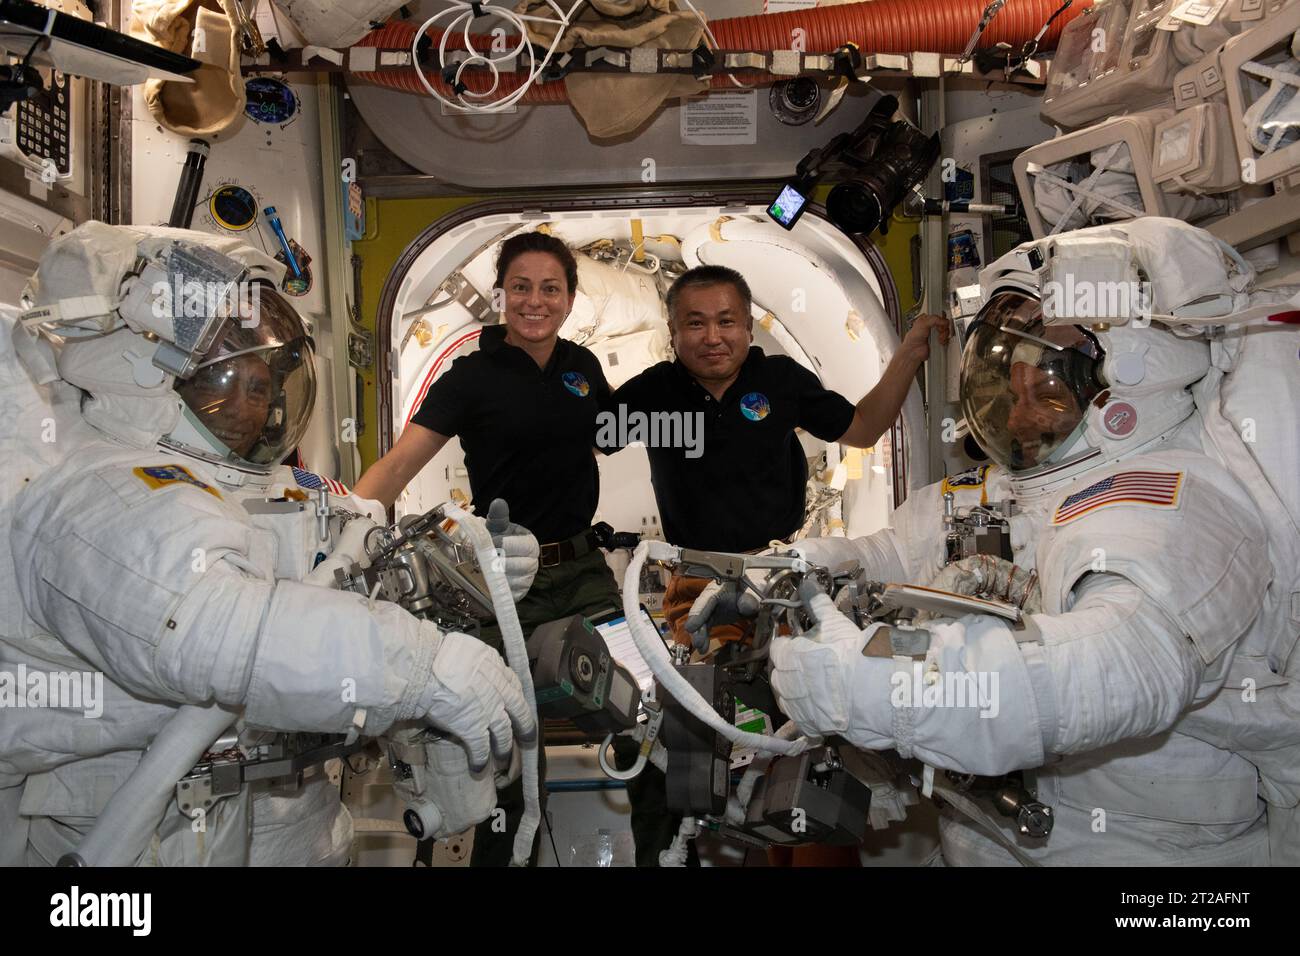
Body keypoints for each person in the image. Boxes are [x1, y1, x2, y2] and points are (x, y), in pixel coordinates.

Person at [0, 222, 537, 866]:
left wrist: (473, 559)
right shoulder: (101, 496)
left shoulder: (274, 489)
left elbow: (368, 563)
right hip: (152, 833)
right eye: (227, 381)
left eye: (261, 387)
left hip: (289, 816)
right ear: (149, 374)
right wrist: (422, 671)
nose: (250, 407)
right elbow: (220, 630)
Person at [767, 266, 1275, 864]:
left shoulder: (1170, 501)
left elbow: (1115, 665)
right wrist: (804, 563)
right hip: (989, 833)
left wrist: (885, 692)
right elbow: (896, 554)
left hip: (1145, 849)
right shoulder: (997, 491)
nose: (1017, 420)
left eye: (1048, 397)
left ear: (1121, 396)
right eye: (1013, 394)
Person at [353, 231, 672, 865]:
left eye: (550, 288)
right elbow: (397, 466)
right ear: (501, 296)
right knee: (505, 746)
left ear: (570, 298)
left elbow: (608, 436)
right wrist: (343, 535)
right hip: (505, 584)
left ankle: (660, 857)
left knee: (649, 716)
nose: (535, 301)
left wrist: (680, 390)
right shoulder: (470, 376)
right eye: (520, 287)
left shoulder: (581, 367)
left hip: (583, 571)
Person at [605, 264, 950, 650]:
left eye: (726, 321)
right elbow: (584, 443)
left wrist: (909, 353)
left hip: (779, 572)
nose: (713, 337)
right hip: (697, 580)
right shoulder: (651, 394)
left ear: (748, 327)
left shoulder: (781, 380)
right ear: (673, 332)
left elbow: (865, 427)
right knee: (711, 687)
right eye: (695, 324)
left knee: (796, 682)